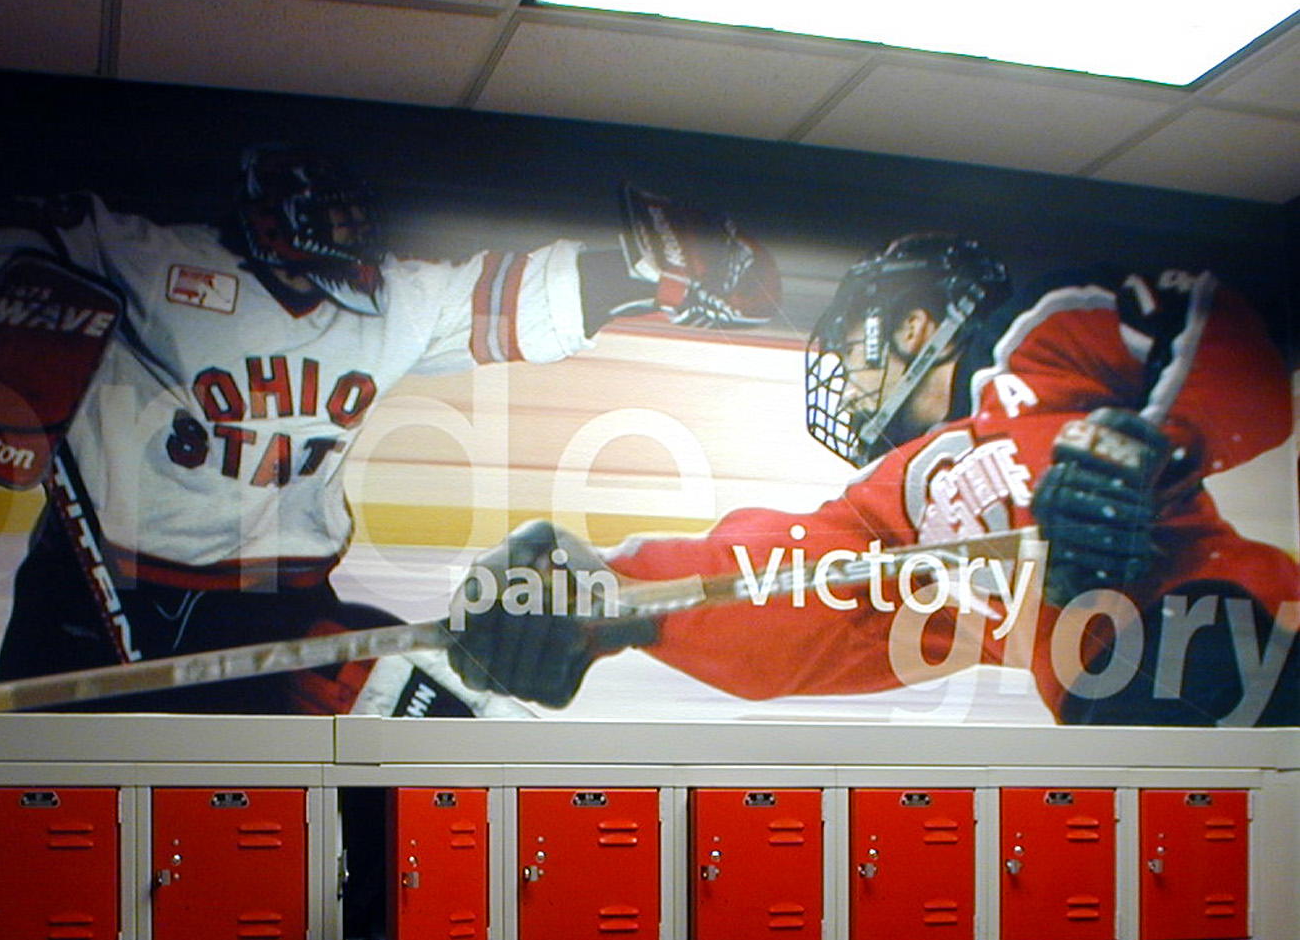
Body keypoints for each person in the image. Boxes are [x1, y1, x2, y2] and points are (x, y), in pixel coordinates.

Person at [0, 143, 779, 714]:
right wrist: (26, 287)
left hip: (274, 603)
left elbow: (511, 291)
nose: (348, 240)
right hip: (98, 586)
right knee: (27, 784)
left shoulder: (390, 301)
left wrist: (644, 272)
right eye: (325, 221)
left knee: (413, 729)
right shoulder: (160, 261)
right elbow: (25, 231)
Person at [446, 232, 1299, 725]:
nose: (849, 386)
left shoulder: (1033, 336)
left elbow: (1228, 351)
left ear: (913, 324)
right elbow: (792, 589)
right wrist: (614, 598)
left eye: (855, 350)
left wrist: (1136, 450)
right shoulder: (892, 498)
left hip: (1229, 622)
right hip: (1109, 704)